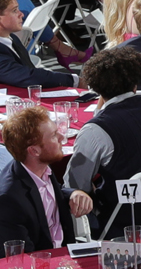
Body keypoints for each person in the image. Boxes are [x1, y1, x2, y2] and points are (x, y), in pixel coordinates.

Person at [65, 49, 141, 231]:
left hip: (120, 220)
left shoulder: (95, 131)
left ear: (95, 87)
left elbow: (75, 186)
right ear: (135, 81)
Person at [0, 106, 91, 251]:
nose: (62, 137)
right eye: (54, 135)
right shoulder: (9, 200)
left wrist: (73, 193)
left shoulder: (41, 168)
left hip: (65, 253)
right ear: (34, 150)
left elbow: (48, 193)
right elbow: (22, 258)